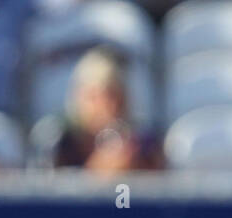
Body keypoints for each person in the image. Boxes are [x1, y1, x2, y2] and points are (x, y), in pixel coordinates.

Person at [32, 46, 162, 172]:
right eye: (96, 97)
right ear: (79, 96)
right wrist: (96, 173)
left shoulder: (141, 144)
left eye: (115, 96)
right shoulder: (56, 140)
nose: (108, 106)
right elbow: (44, 188)